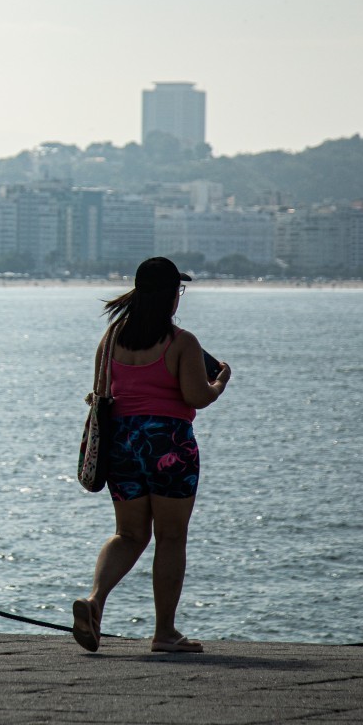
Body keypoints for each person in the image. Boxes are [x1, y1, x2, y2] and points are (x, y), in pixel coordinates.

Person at [73, 257, 231, 654]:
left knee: (128, 534)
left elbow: (99, 392)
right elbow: (198, 396)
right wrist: (219, 382)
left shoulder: (111, 339)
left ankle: (94, 600)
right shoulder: (182, 343)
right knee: (171, 536)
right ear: (170, 297)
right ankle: (164, 632)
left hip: (122, 444)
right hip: (169, 444)